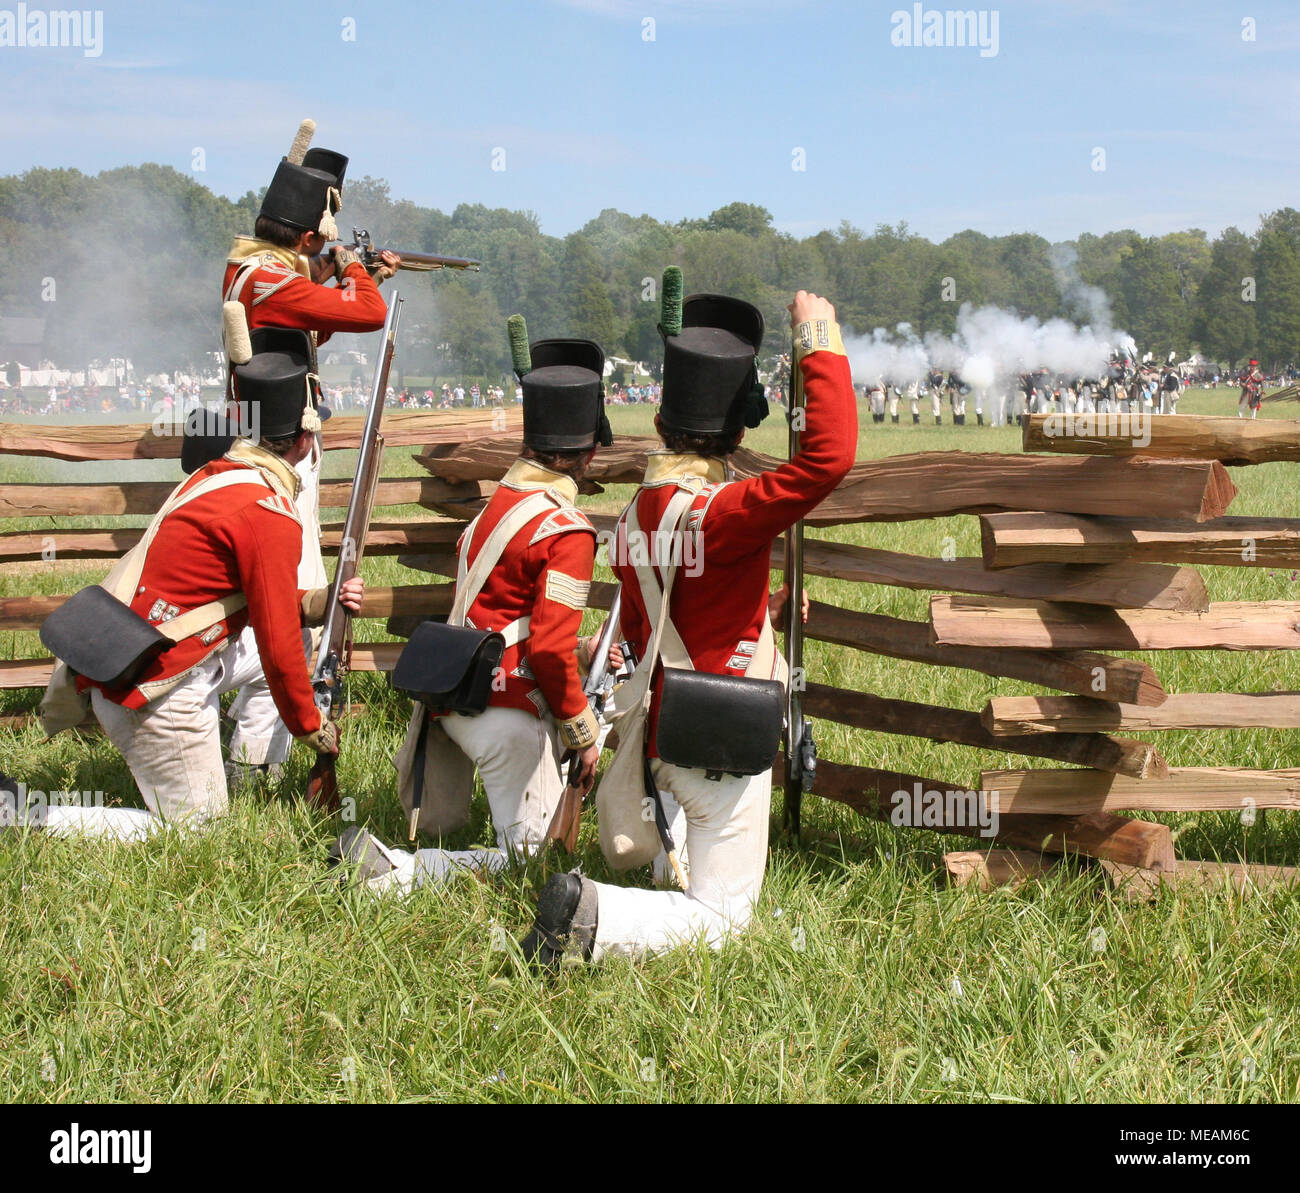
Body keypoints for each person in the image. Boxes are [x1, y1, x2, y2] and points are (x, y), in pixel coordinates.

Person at [519, 288, 857, 967]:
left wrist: (766, 607)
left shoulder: (640, 510)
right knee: (725, 922)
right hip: (720, 739)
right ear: (735, 435)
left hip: (660, 728)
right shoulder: (724, 512)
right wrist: (818, 336)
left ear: (663, 418)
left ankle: (648, 880)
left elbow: (664, 615)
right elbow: (830, 458)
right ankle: (591, 914)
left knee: (700, 882)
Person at [27, 350, 362, 841]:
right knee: (195, 835)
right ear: (306, 439)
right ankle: (22, 814)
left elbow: (245, 596)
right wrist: (310, 726)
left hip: (149, 656)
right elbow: (277, 640)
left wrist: (317, 601)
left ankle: (251, 774)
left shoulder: (218, 476)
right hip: (156, 686)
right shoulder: (266, 510)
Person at [331, 330, 615, 890]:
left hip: (457, 698)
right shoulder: (566, 529)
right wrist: (582, 732)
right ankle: (396, 872)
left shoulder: (500, 504)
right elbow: (552, 650)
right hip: (506, 714)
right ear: (585, 453)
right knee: (528, 863)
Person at [212, 140, 396, 791]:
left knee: (287, 600)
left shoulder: (258, 271)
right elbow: (369, 313)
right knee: (292, 608)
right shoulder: (270, 277)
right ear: (308, 231)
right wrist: (354, 270)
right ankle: (256, 765)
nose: (328, 244)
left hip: (269, 443)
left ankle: (252, 759)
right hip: (280, 449)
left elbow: (308, 332)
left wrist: (352, 273)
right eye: (323, 236)